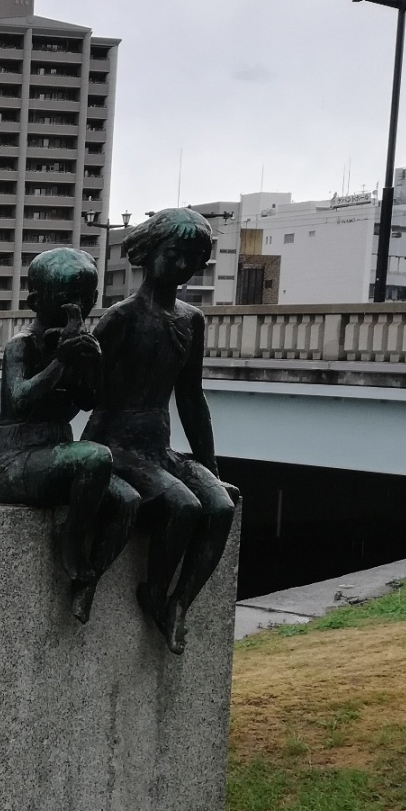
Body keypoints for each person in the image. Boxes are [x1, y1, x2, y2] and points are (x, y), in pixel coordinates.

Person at [84, 208, 238, 653]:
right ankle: (153, 591)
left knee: (221, 506)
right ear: (149, 253)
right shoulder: (122, 317)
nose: (184, 266)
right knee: (183, 507)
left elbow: (191, 397)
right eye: (175, 253)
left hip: (159, 445)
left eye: (194, 257)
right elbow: (91, 392)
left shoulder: (192, 320)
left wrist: (207, 463)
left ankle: (178, 603)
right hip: (117, 442)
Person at [0, 247, 138, 623]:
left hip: (53, 453)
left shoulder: (77, 346)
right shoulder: (22, 345)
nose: (78, 311)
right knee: (96, 457)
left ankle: (90, 580)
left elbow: (89, 404)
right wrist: (61, 361)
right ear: (36, 300)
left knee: (128, 501)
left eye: (86, 301)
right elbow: (18, 399)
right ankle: (71, 543)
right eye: (68, 301)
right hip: (13, 462)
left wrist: (93, 364)